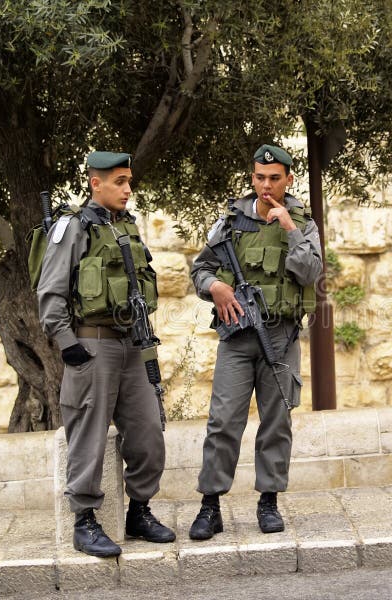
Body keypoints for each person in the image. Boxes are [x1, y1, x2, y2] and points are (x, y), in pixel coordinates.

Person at [37, 151, 175, 557]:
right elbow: (50, 293)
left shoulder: (126, 227)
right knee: (88, 436)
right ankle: (85, 521)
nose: (128, 189)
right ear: (96, 183)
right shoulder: (73, 228)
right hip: (91, 344)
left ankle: (140, 511)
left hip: (133, 344)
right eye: (119, 181)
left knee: (149, 432)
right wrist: (69, 347)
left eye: (129, 181)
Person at [188, 144, 323, 539]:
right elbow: (200, 269)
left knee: (277, 420)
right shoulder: (230, 223)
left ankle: (269, 501)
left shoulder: (303, 223)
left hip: (280, 337)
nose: (267, 186)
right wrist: (215, 287)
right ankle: (210, 506)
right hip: (237, 335)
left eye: (275, 178)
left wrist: (290, 229)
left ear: (288, 180)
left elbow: (310, 272)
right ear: (252, 178)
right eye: (260, 178)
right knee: (223, 421)